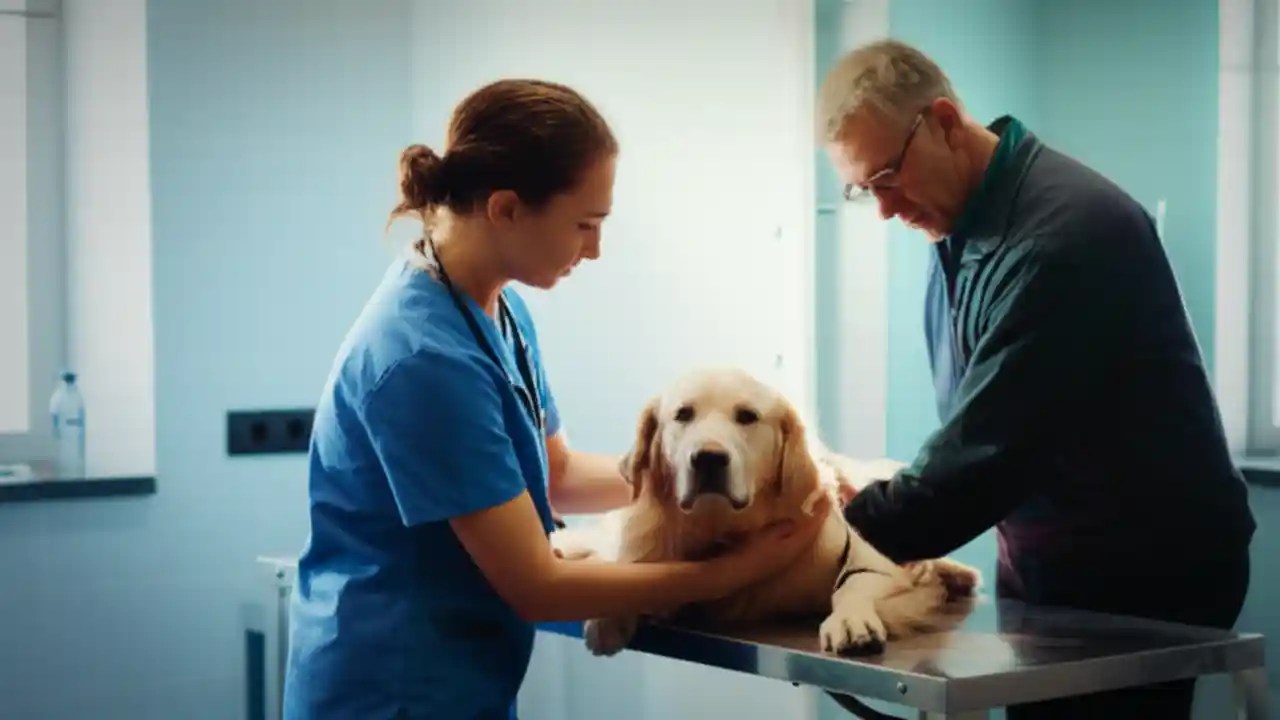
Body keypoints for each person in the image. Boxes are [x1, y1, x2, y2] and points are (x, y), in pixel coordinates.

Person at [281, 78, 828, 720]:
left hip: (463, 681)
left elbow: (557, 475)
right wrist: (737, 570)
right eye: (585, 225)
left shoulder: (496, 306)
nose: (595, 249)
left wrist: (739, 478)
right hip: (391, 690)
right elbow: (539, 587)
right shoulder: (423, 360)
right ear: (507, 208)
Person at [816, 40, 1256, 719]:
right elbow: (974, 428)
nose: (883, 209)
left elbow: (984, 458)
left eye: (887, 178)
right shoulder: (960, 225)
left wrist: (823, 541)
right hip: (1051, 562)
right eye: (862, 188)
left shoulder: (1067, 237)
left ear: (941, 120)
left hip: (1144, 574)